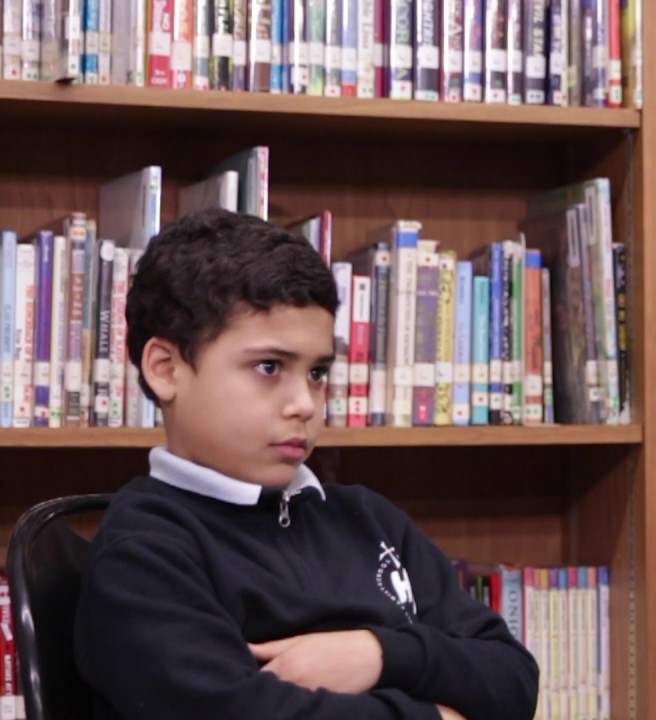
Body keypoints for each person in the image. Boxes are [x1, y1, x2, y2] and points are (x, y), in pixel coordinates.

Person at [74, 208, 538, 720]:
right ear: (166, 369)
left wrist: (378, 653)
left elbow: (512, 679)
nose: (305, 403)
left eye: (317, 372)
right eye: (268, 367)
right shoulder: (143, 555)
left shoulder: (368, 518)